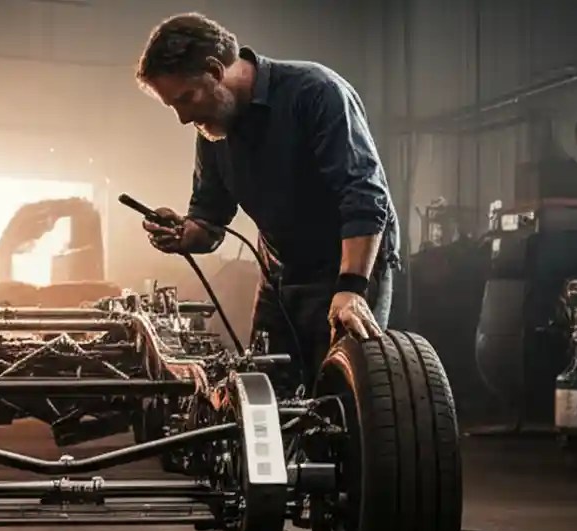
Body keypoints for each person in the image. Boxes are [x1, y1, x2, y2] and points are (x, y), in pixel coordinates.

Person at [135, 13, 400, 396]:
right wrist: (182, 233)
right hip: (279, 270)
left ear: (214, 70)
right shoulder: (212, 128)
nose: (183, 117)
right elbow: (210, 221)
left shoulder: (315, 92)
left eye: (185, 99)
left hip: (346, 265)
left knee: (345, 400)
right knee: (269, 391)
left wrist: (352, 289)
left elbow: (363, 192)